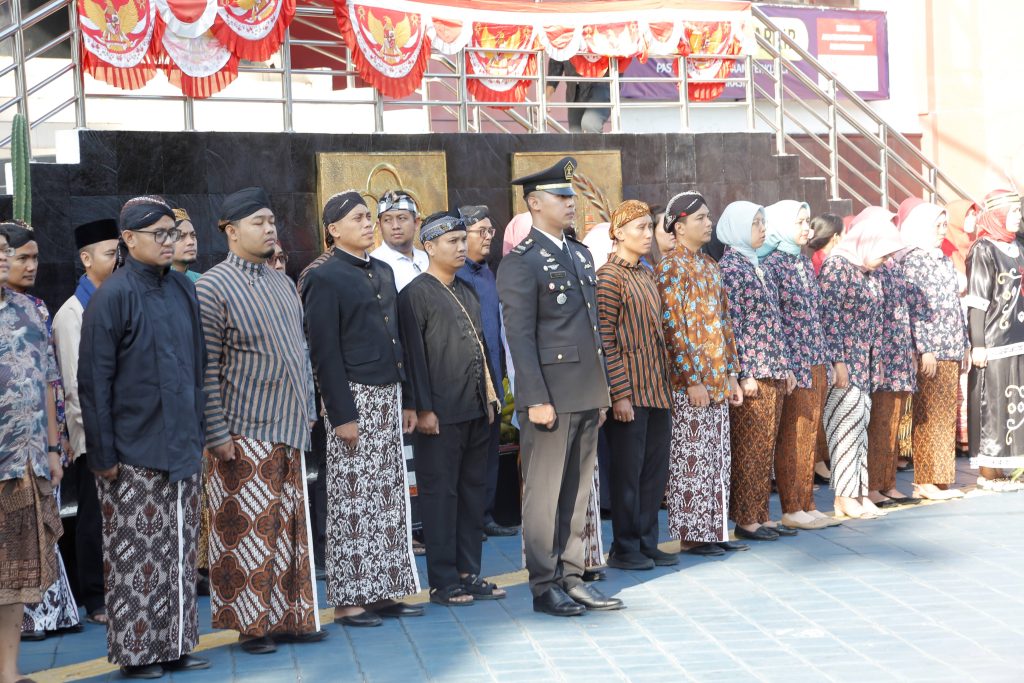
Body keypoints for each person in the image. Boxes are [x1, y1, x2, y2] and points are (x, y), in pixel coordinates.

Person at [78, 196, 209, 679]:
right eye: (160, 234)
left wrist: (197, 431)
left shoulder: (182, 289)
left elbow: (197, 367)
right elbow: (93, 382)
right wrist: (104, 454)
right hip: (133, 452)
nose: (169, 241)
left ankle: (175, 644)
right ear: (129, 239)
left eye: (173, 232)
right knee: (137, 558)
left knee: (179, 552)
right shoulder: (112, 296)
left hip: (182, 445)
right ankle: (138, 655)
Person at [196, 188, 324, 654]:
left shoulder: (282, 282)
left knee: (289, 532)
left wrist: (308, 408)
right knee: (248, 536)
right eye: (258, 223)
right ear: (230, 231)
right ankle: (251, 628)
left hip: (290, 427)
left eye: (272, 221)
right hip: (242, 432)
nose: (270, 229)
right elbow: (206, 369)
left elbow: (300, 352)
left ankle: (291, 620)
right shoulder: (211, 287)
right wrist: (217, 432)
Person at [497, 156, 621, 617]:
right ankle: (544, 583)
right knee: (546, 494)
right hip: (549, 395)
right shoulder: (521, 262)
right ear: (534, 203)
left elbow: (591, 329)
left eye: (571, 196)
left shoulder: (579, 253)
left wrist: (601, 392)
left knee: (576, 493)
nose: (571, 203)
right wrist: (534, 398)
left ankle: (572, 575)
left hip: (584, 391)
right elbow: (520, 338)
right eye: (561, 196)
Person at [302, 191, 421, 627]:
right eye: (358, 218)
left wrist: (408, 398)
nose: (369, 224)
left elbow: (398, 340)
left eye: (369, 217)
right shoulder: (324, 276)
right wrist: (341, 415)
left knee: (388, 498)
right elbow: (324, 351)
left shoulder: (382, 270)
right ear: (333, 230)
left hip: (388, 395)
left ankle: (384, 590)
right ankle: (350, 600)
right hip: (353, 398)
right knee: (352, 502)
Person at [398, 210, 506, 606]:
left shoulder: (467, 289)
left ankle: (467, 572)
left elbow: (482, 347)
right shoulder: (415, 294)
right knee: (440, 497)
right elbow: (412, 358)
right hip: (439, 416)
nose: (462, 247)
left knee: (472, 495)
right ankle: (443, 581)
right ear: (429, 246)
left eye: (463, 240)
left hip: (476, 409)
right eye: (452, 242)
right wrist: (421, 408)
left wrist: (490, 398)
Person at [0, 223, 81, 642]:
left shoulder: (34, 309)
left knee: (32, 543)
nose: (30, 265)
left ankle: (44, 619)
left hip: (33, 451)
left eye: (34, 257)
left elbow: (50, 381)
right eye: (21, 257)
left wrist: (55, 443)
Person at [656, 192, 745, 558]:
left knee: (716, 458)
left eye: (709, 217)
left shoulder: (710, 265)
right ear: (679, 226)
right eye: (700, 218)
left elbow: (724, 323)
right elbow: (672, 329)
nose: (709, 224)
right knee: (691, 460)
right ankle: (692, 535)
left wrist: (732, 373)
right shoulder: (670, 268)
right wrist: (691, 379)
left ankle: (713, 530)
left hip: (717, 380)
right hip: (689, 385)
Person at [596, 200, 675, 571]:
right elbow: (605, 339)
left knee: (653, 473)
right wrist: (619, 394)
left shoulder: (646, 272)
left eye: (649, 227)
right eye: (640, 228)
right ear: (618, 233)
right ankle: (625, 547)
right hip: (629, 391)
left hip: (656, 389)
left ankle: (646, 542)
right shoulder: (609, 277)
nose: (648, 235)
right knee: (628, 474)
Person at [51, 218, 120, 628]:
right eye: (110, 254)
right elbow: (76, 386)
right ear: (86, 259)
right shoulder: (71, 314)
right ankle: (95, 596)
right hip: (92, 434)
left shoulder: (115, 301)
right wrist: (95, 436)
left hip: (122, 429)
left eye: (118, 252)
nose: (117, 260)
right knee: (94, 516)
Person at [716, 202, 798, 541]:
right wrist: (743, 372)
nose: (762, 229)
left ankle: (761, 513)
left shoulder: (755, 265)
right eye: (755, 223)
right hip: (754, 375)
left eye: (763, 223)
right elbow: (732, 325)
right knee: (750, 448)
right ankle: (747, 518)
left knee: (765, 447)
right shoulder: (731, 269)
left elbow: (773, 322)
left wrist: (785, 366)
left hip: (772, 369)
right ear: (737, 227)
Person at [818, 209, 904, 519]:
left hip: (864, 364)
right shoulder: (837, 266)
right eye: (884, 253)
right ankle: (844, 497)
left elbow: (875, 320)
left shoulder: (866, 271)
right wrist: (838, 361)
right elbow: (828, 318)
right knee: (845, 430)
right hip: (845, 365)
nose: (886, 260)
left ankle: (858, 492)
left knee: (859, 430)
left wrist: (875, 360)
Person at [759, 201, 840, 530]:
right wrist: (787, 365)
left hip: (816, 359)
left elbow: (816, 316)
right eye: (800, 222)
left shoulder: (803, 263)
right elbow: (774, 320)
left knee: (810, 436)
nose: (807, 228)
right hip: (794, 364)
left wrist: (828, 359)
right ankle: (792, 507)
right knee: (793, 436)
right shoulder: (773, 265)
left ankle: (807, 502)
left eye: (808, 222)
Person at [895, 201, 968, 500]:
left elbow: (954, 305)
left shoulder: (942, 259)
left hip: (950, 347)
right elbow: (913, 308)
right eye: (936, 226)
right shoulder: (913, 260)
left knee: (944, 416)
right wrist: (923, 348)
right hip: (931, 351)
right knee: (929, 415)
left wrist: (964, 344)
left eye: (944, 225)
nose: (941, 231)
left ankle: (941, 480)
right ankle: (926, 480)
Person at [455, 205, 516, 538]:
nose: (488, 237)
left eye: (491, 231)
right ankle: (469, 519)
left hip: (494, 376)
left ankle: (487, 514)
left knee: (489, 452)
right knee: (468, 456)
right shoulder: (456, 276)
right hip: (466, 383)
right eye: (482, 231)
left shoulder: (488, 274)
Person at [965, 190, 1024, 490]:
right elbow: (978, 301)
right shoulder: (983, 250)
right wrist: (978, 343)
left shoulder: (1019, 246)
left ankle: (1013, 465)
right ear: (998, 215)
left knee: (1018, 403)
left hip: (1020, 337)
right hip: (996, 341)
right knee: (995, 404)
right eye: (1013, 211)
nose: (1019, 216)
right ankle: (989, 470)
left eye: (1019, 210)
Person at [864, 203, 920, 508]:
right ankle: (873, 486)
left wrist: (909, 349)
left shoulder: (891, 265)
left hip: (898, 352)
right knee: (879, 424)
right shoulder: (869, 266)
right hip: (882, 355)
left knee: (894, 421)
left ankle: (888, 483)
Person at [370, 190, 428, 292]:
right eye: (387, 220)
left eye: (402, 218)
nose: (395, 226)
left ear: (416, 223)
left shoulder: (428, 259)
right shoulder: (373, 265)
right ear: (379, 226)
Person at [546, 59, 611, 133]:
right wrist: (547, 95)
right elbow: (556, 60)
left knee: (590, 125)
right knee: (575, 133)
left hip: (600, 84)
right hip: (574, 89)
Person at [171, 208, 201, 282]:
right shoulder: (152, 282)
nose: (191, 242)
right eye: (181, 236)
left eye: (193, 235)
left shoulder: (202, 281)